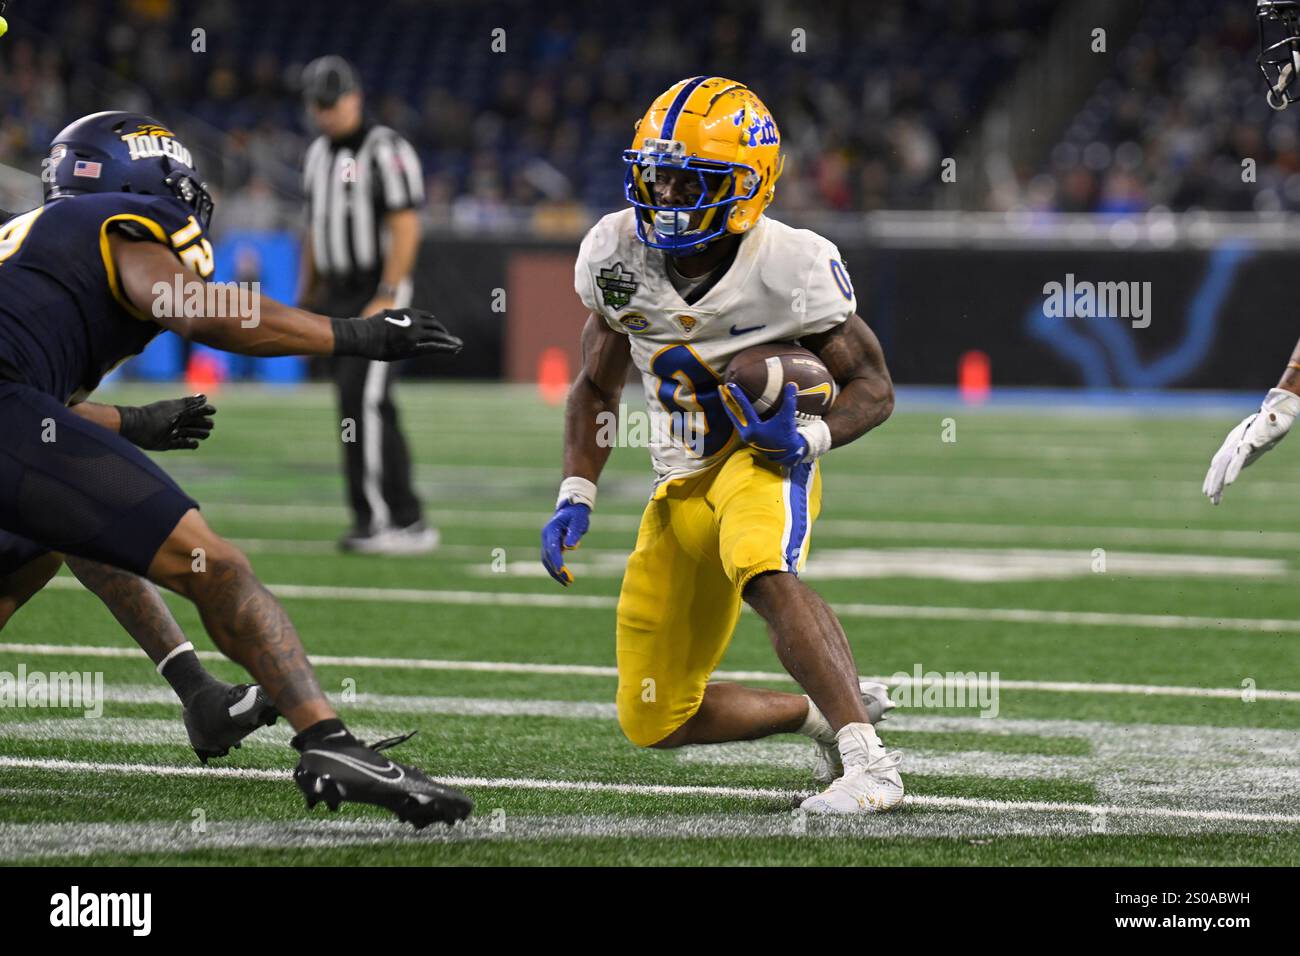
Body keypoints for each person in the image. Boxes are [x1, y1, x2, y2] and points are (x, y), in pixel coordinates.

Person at [0, 109, 470, 826]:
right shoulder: (120, 222)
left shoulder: (31, 248)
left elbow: (38, 426)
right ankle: (329, 740)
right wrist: (356, 334)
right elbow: (194, 309)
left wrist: (130, 424)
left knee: (64, 520)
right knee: (215, 565)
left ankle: (200, 695)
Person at [540, 77, 901, 814]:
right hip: (677, 487)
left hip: (759, 463)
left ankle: (871, 764)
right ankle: (823, 713)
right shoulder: (615, 253)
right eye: (656, 175)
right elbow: (594, 389)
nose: (666, 195)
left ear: (749, 186)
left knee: (763, 570)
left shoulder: (790, 265)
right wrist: (575, 492)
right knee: (654, 715)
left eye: (688, 180)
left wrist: (807, 437)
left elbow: (873, 388)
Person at [298, 55, 436, 554]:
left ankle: (379, 519)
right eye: (318, 105)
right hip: (337, 291)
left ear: (355, 98)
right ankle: (407, 517)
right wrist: (308, 293)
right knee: (364, 404)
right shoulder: (316, 155)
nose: (326, 113)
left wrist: (387, 291)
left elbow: (405, 224)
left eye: (333, 103)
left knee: (365, 400)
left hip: (376, 288)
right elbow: (314, 229)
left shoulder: (386, 149)